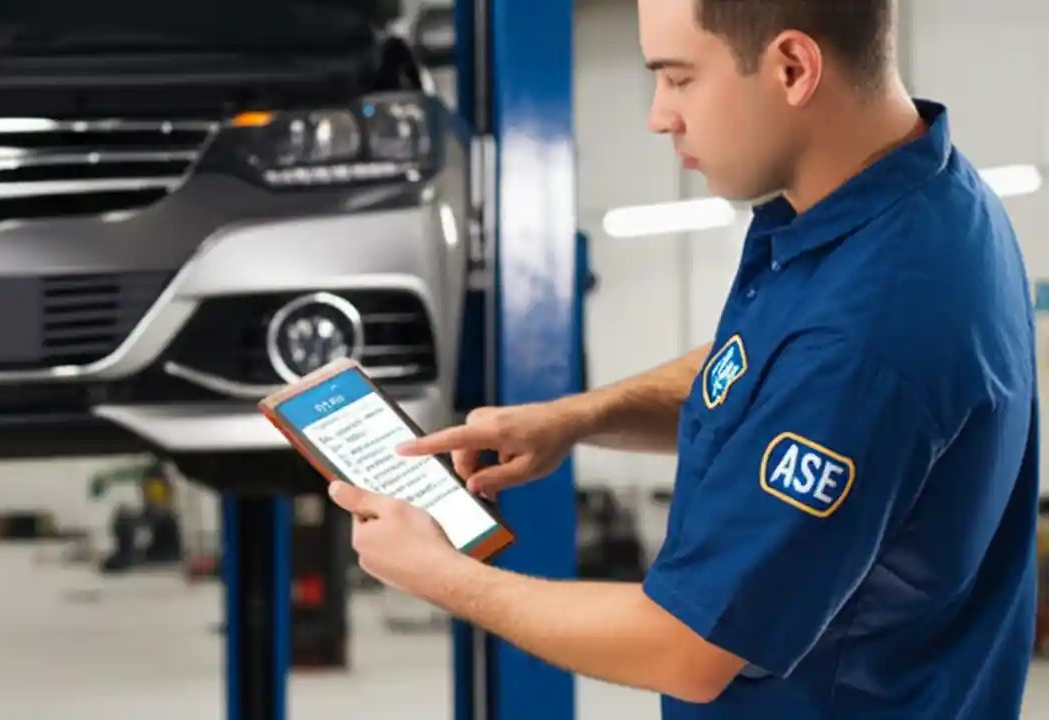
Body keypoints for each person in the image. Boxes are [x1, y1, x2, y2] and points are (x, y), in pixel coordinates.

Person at [325, 0, 1039, 717]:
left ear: (794, 68)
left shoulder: (869, 329)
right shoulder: (927, 197)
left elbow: (686, 648)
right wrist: (575, 418)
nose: (659, 115)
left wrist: (441, 574)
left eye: (678, 78)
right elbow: (768, 369)